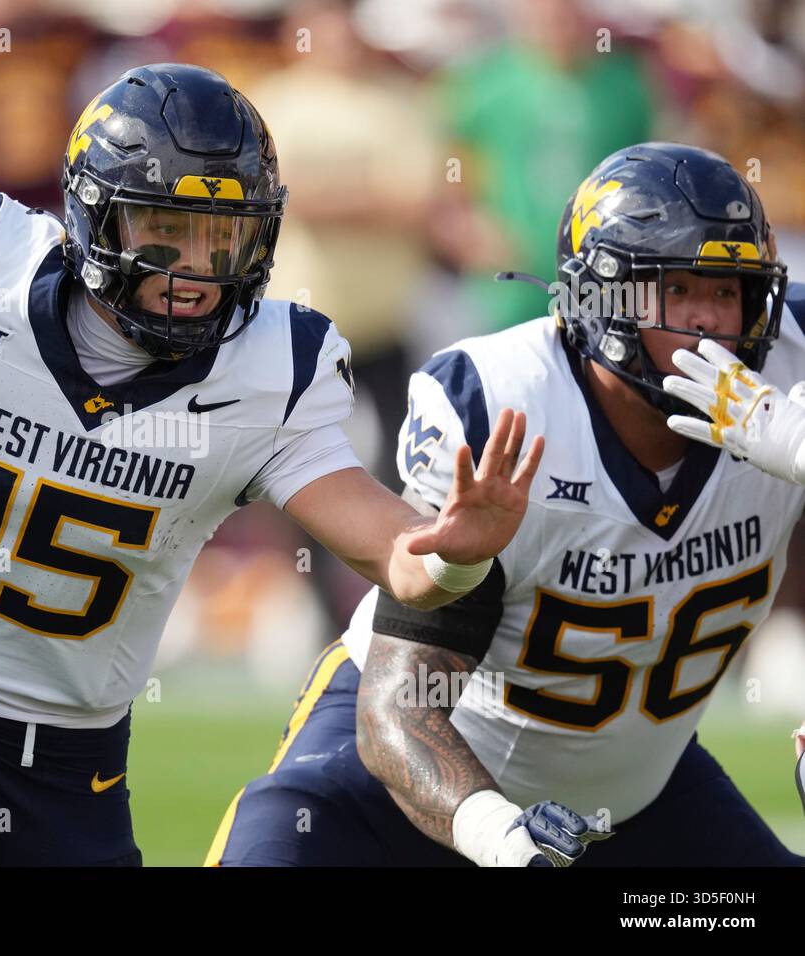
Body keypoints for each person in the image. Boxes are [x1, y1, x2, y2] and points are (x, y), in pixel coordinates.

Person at [0, 63, 542, 866]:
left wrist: (458, 552)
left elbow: (394, 556)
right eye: (167, 230)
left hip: (71, 770)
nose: (197, 272)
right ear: (96, 217)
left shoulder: (271, 372)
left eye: (224, 236)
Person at [207, 142, 805, 867]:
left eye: (729, 289)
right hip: (403, 781)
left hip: (633, 797)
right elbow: (401, 704)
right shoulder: (509, 410)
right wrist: (500, 836)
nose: (712, 321)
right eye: (676, 291)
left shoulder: (791, 381)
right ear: (599, 299)